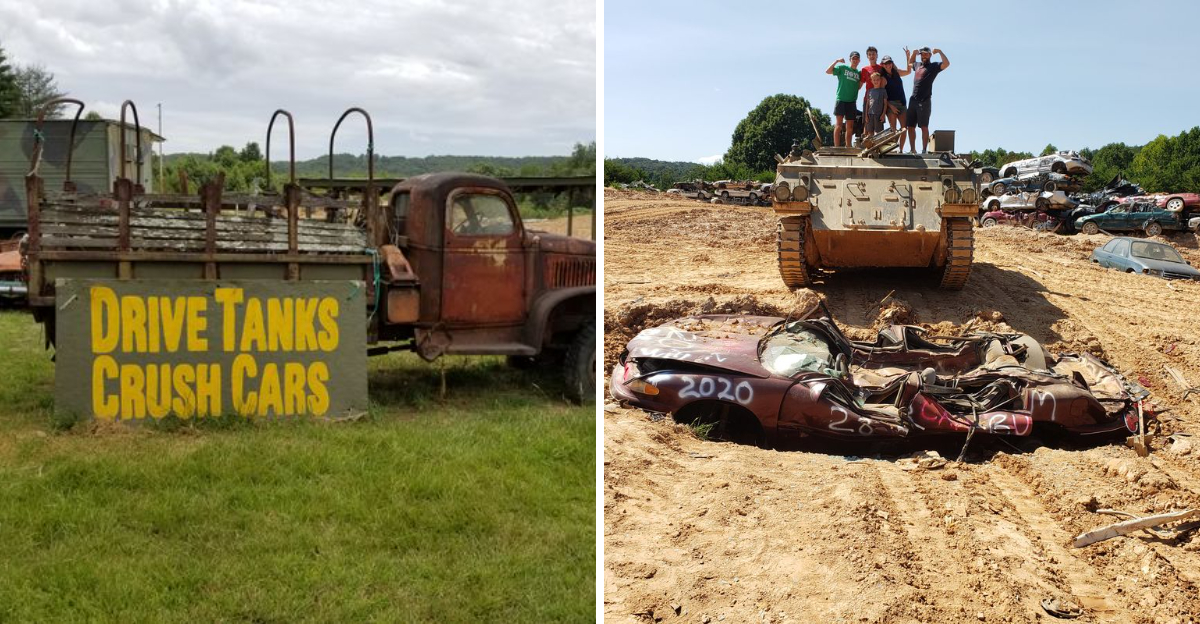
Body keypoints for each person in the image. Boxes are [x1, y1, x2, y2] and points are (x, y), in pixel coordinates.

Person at [905, 46, 949, 153]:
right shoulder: (918, 65)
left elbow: (946, 64)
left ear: (930, 55)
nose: (924, 56)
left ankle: (924, 150)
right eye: (922, 54)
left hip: (924, 101)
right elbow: (910, 64)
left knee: (924, 127)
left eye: (926, 54)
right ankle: (912, 150)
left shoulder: (933, 66)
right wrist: (913, 54)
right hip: (913, 100)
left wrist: (939, 51)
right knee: (910, 126)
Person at [825, 52, 861, 147]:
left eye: (857, 59)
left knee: (850, 127)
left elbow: (859, 86)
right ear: (850, 59)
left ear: (859, 61)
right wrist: (836, 61)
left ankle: (848, 146)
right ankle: (837, 147)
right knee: (839, 125)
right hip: (841, 100)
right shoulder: (843, 68)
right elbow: (828, 71)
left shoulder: (858, 73)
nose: (855, 60)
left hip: (852, 102)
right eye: (853, 58)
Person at [880, 51, 911, 151]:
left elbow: (908, 71)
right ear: (883, 65)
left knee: (904, 129)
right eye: (885, 63)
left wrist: (908, 57)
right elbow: (882, 95)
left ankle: (901, 150)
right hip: (891, 104)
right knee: (893, 129)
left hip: (902, 103)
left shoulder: (897, 73)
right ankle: (892, 149)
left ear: (892, 64)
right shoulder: (883, 78)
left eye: (889, 63)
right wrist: (890, 106)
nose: (888, 65)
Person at [859, 46, 886, 136]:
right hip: (868, 98)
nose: (872, 56)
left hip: (879, 98)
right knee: (867, 123)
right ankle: (866, 146)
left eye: (873, 54)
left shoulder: (881, 68)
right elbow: (860, 84)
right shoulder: (864, 69)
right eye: (869, 54)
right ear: (867, 56)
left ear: (877, 55)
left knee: (878, 126)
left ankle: (877, 147)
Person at [863, 71, 888, 137]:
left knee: (879, 133)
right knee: (870, 132)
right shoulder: (870, 91)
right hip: (870, 114)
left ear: (880, 80)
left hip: (879, 114)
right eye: (874, 80)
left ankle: (878, 146)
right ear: (871, 81)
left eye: (877, 80)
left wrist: (883, 114)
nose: (876, 81)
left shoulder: (883, 91)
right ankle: (871, 146)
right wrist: (866, 115)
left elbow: (885, 103)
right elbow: (868, 104)